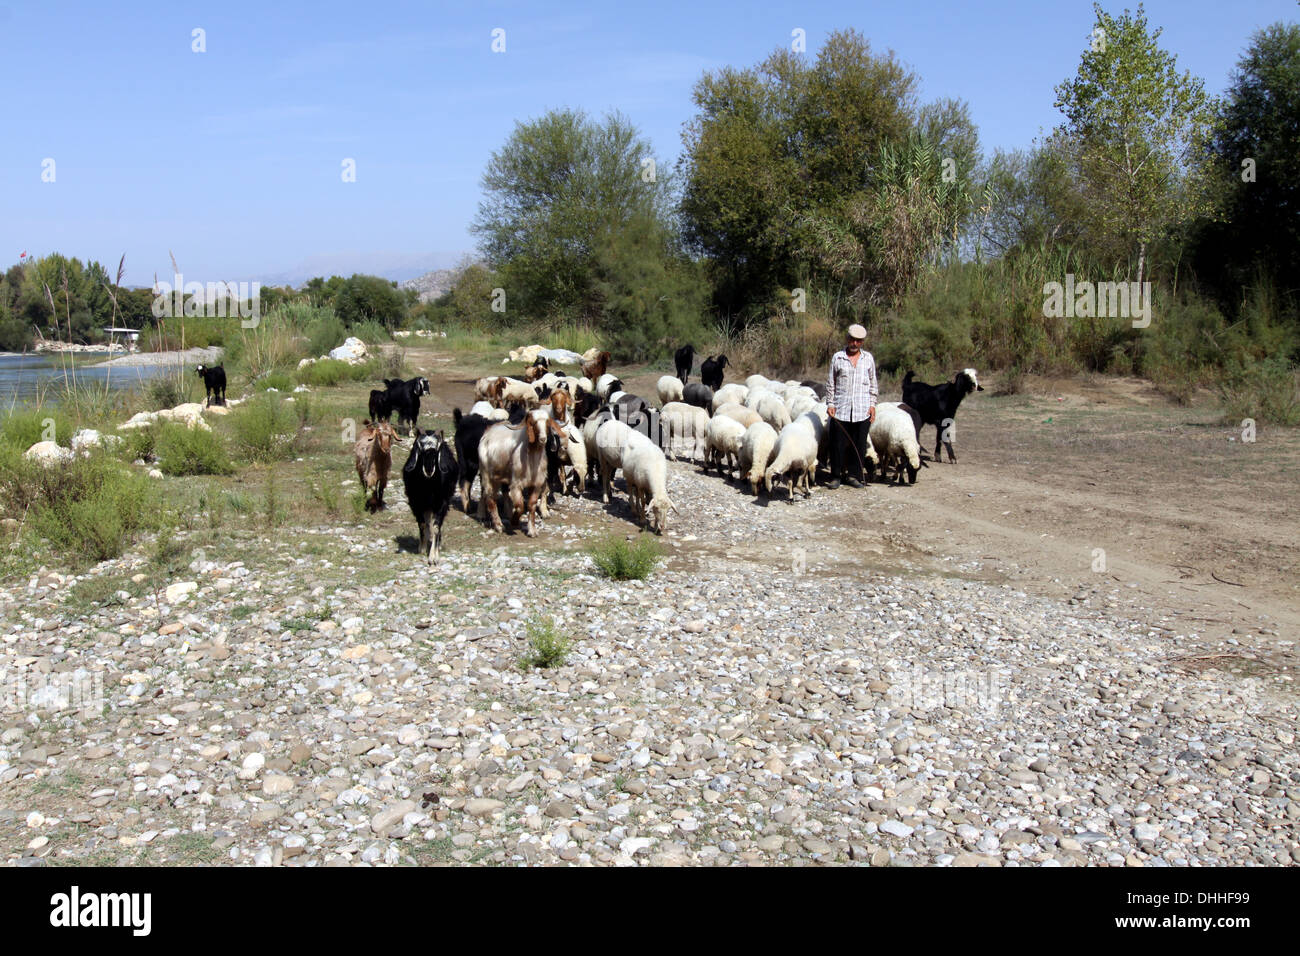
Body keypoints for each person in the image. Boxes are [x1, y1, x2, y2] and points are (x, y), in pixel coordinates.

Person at [825, 323, 877, 488]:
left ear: (862, 342)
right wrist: (830, 403)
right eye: (852, 340)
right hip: (841, 408)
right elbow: (830, 382)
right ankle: (835, 476)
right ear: (847, 339)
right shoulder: (838, 357)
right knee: (837, 444)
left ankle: (854, 475)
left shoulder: (868, 358)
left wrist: (873, 405)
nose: (855, 344)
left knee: (859, 444)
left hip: (862, 409)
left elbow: (873, 383)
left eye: (859, 341)